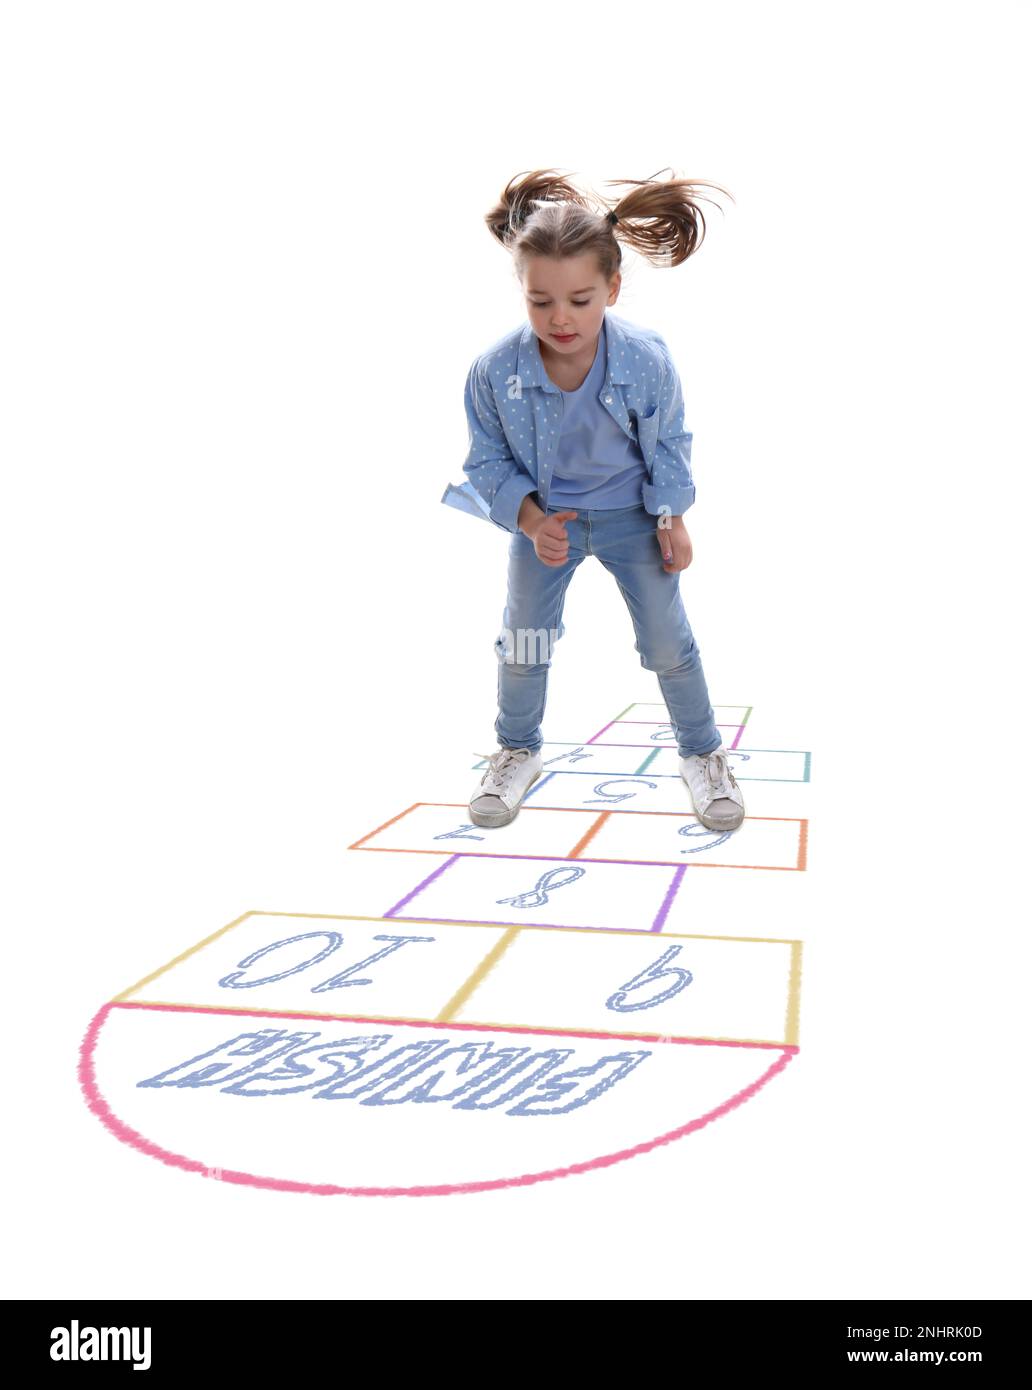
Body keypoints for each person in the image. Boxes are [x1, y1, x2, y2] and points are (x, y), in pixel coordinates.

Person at [440, 168, 745, 835]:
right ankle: (516, 747)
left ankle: (703, 753)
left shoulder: (644, 359)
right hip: (545, 524)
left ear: (610, 287)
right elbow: (486, 460)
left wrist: (672, 517)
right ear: (521, 291)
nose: (561, 319)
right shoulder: (496, 371)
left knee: (668, 641)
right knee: (524, 640)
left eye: (580, 300)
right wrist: (530, 519)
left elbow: (669, 442)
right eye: (540, 302)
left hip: (633, 521)